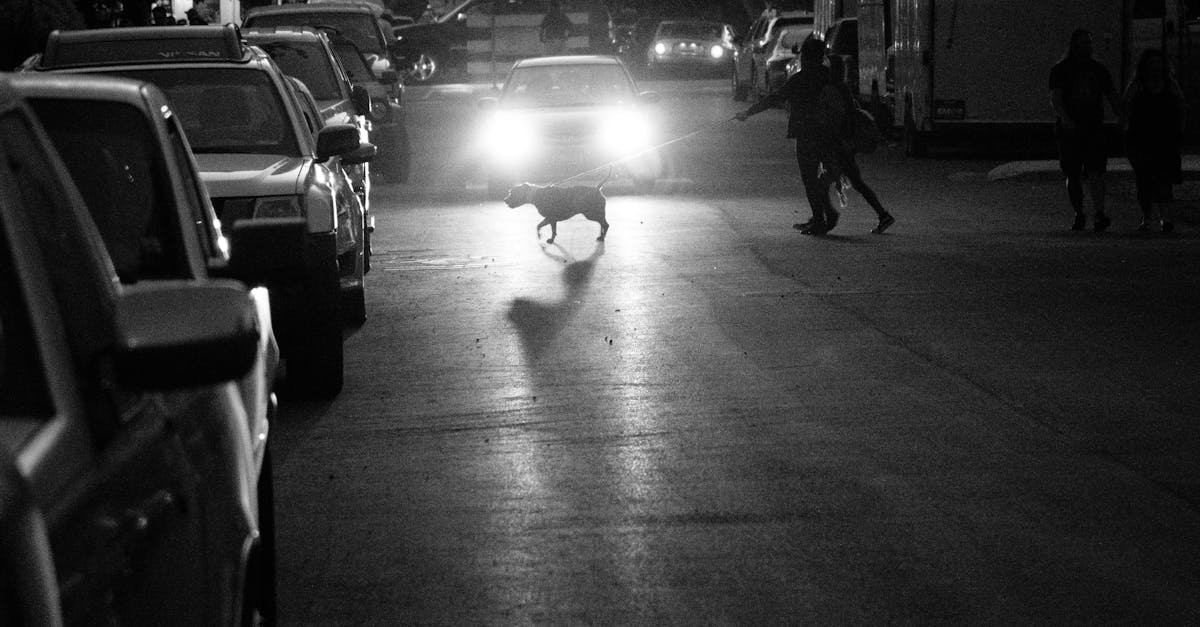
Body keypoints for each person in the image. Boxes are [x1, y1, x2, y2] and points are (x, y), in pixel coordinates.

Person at [736, 36, 845, 234]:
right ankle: (821, 216)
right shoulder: (829, 77)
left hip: (806, 134)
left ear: (805, 57)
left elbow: (775, 98)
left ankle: (822, 218)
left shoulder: (800, 79)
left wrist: (748, 113)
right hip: (829, 134)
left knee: (810, 179)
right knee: (822, 177)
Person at [1049, 29, 1121, 232]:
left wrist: (1120, 115)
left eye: (1089, 43)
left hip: (1093, 127)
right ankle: (1079, 212)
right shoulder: (1061, 70)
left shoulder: (1098, 69)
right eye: (1084, 43)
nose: (1088, 47)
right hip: (1070, 128)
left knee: (1096, 171)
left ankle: (1099, 213)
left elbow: (1111, 94)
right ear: (1074, 45)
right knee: (1073, 173)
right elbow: (1056, 97)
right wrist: (1065, 119)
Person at [824, 54, 895, 234]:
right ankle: (882, 214)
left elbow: (838, 119)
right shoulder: (843, 89)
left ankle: (824, 217)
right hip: (846, 144)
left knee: (821, 184)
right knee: (856, 182)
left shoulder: (835, 90)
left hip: (841, 145)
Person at [1121, 48, 1185, 233]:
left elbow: (1181, 105)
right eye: (1152, 64)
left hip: (1165, 137)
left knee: (1165, 178)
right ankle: (1147, 216)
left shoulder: (1169, 84)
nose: (1155, 68)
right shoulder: (1138, 85)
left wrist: (1180, 129)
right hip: (1141, 138)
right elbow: (1126, 104)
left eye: (1158, 64)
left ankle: (1165, 217)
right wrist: (1125, 127)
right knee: (1144, 179)